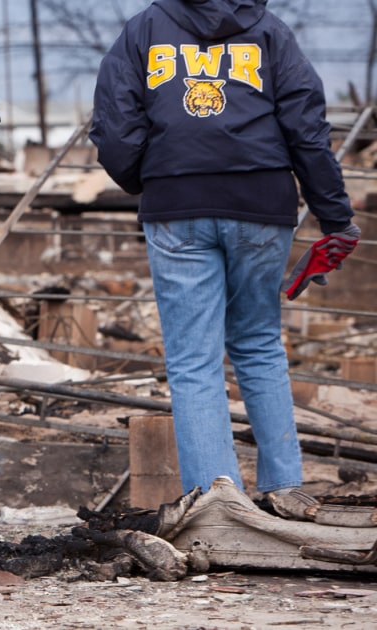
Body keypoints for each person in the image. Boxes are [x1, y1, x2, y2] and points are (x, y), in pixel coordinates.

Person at [90, 0, 360, 513]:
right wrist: (334, 214)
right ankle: (285, 489)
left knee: (194, 360)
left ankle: (218, 502)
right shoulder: (270, 32)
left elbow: (114, 123)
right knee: (259, 342)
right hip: (261, 202)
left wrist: (148, 178)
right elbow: (307, 128)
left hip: (177, 205)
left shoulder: (144, 29)